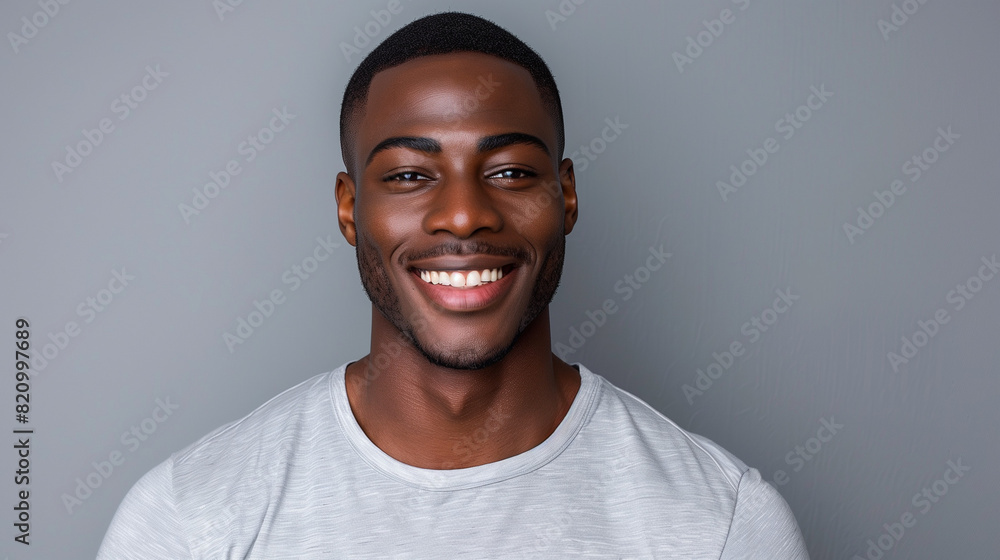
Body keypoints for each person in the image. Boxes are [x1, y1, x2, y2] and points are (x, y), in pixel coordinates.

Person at [97, 11, 810, 559]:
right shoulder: (190, 522)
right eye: (410, 175)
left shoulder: (719, 526)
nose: (465, 213)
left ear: (565, 196)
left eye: (511, 172)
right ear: (351, 208)